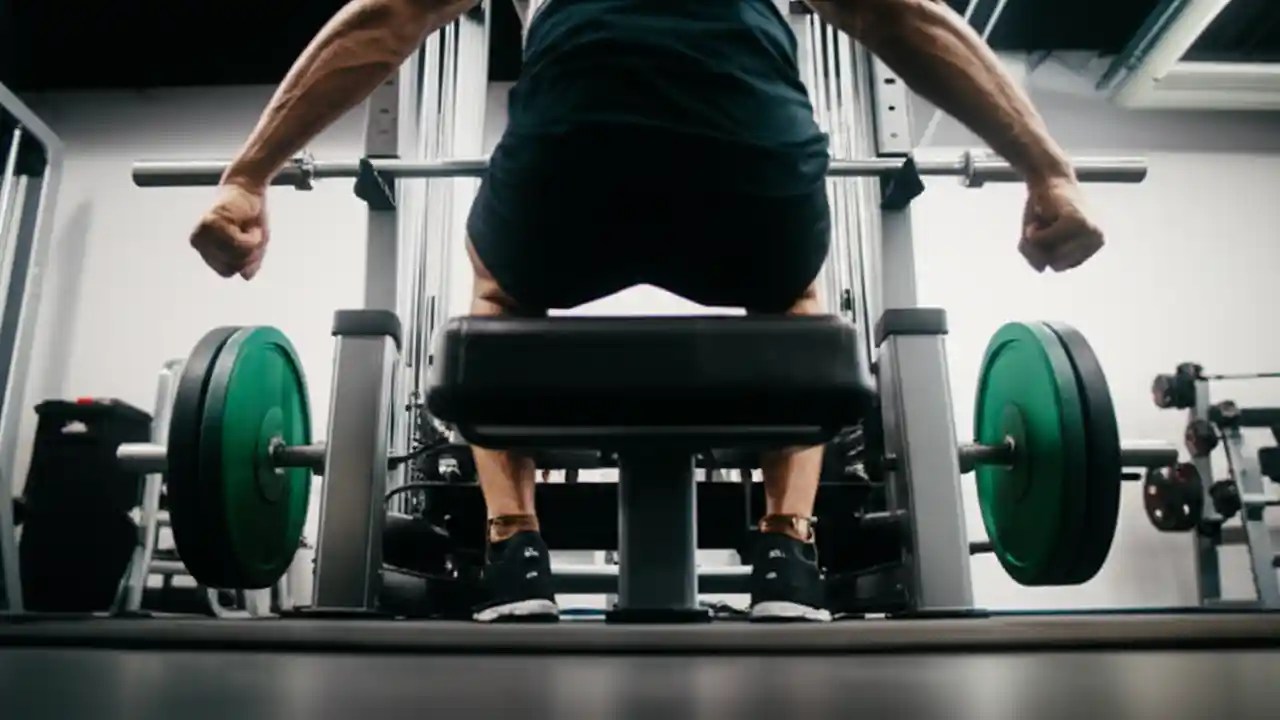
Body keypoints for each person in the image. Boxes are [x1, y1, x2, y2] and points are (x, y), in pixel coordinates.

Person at [189, 0, 1105, 623]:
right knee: (793, 305)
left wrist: (248, 177)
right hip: (749, 160)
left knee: (500, 298)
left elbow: (385, 20)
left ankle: (517, 553)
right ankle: (787, 556)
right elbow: (899, 15)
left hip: (569, 162)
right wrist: (1045, 168)